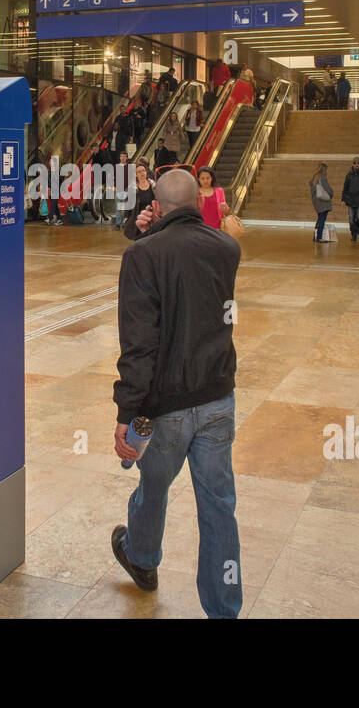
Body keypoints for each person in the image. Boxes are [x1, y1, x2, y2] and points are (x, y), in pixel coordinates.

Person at [110, 168, 243, 618]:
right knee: (219, 507)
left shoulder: (143, 256)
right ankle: (224, 608)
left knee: (153, 486)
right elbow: (190, 268)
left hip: (164, 406)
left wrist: (127, 410)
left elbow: (139, 342)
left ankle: (143, 561)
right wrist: (153, 235)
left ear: (158, 206)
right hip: (217, 398)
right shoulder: (228, 249)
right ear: (195, 202)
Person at [122, 162, 157, 241]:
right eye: (139, 172)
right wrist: (126, 219)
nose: (142, 173)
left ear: (146, 172)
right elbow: (127, 206)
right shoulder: (132, 189)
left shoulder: (154, 186)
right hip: (137, 221)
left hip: (151, 220)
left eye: (143, 170)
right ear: (135, 175)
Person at [196, 166, 230, 231]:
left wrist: (226, 207)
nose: (205, 181)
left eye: (208, 178)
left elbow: (225, 210)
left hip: (217, 228)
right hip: (200, 228)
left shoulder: (219, 191)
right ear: (198, 179)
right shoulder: (195, 192)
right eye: (202, 178)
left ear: (212, 178)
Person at [309, 162, 334, 242]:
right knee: (322, 219)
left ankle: (315, 236)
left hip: (316, 202)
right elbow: (328, 189)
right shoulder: (322, 178)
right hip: (323, 202)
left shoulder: (314, 179)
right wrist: (331, 193)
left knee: (319, 218)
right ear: (324, 170)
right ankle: (319, 237)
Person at [113, 151, 131, 231]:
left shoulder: (129, 167)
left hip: (127, 189)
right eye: (121, 156)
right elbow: (112, 178)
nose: (122, 158)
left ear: (126, 158)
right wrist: (114, 186)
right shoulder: (116, 167)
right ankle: (118, 223)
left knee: (126, 208)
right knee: (118, 208)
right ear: (120, 157)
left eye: (124, 156)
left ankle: (125, 223)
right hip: (118, 189)